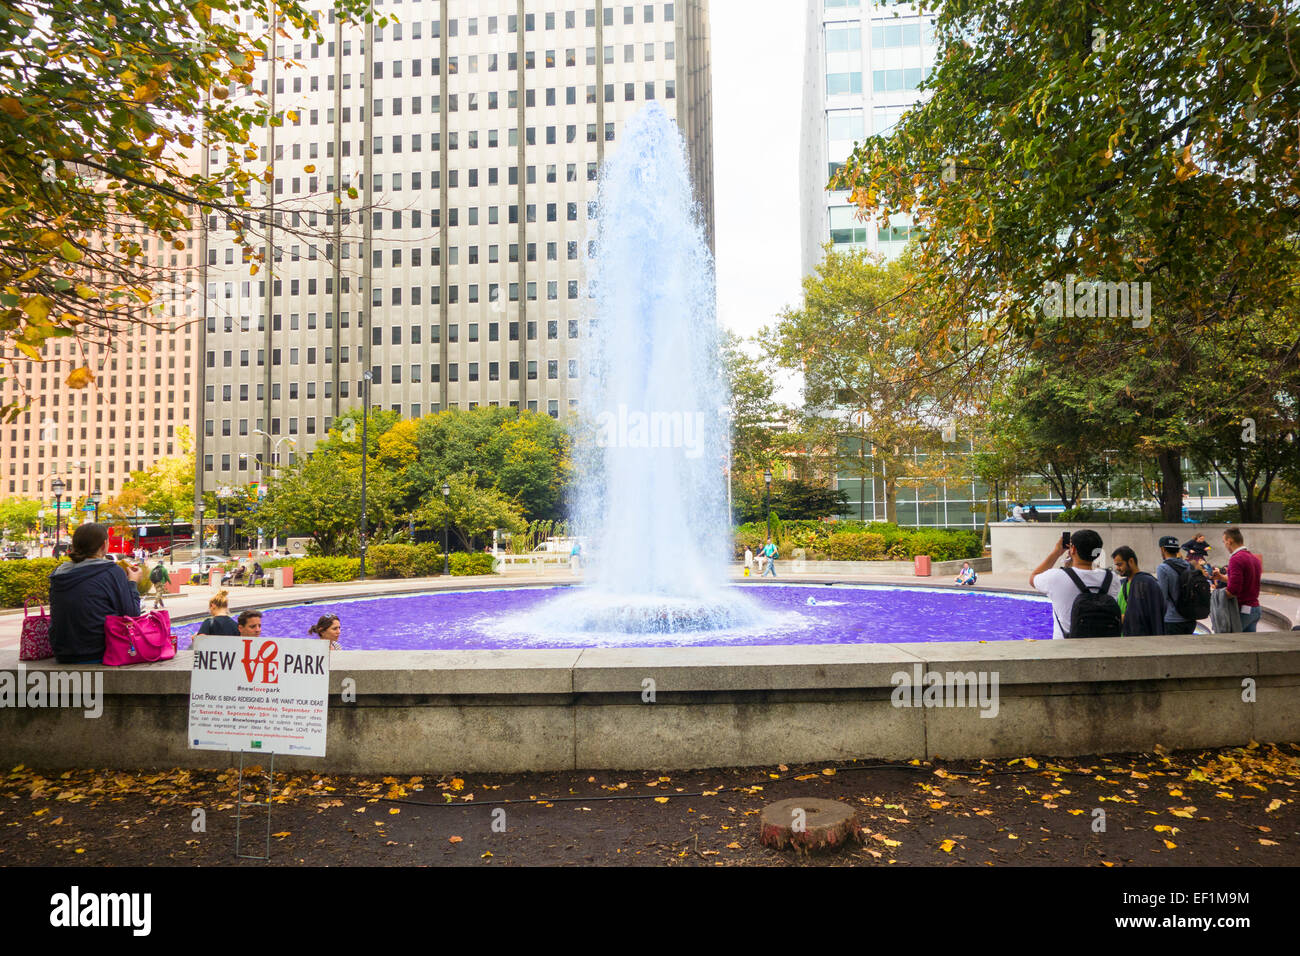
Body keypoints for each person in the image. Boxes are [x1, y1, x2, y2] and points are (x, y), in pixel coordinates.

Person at [48, 523, 144, 664]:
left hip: (62, 652)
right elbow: (132, 615)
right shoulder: (111, 571)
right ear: (104, 545)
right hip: (98, 651)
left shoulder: (59, 572)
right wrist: (133, 583)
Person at [1030, 529, 1122, 639]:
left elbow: (1033, 577)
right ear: (1098, 552)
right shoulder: (1112, 578)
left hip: (1067, 649)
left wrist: (1057, 552)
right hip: (1103, 646)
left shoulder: (1056, 577)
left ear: (1072, 549)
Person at [1213, 527, 1263, 632]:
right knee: (1248, 646)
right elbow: (1244, 581)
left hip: (1242, 610)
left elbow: (1233, 590)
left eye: (1224, 542)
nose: (1225, 545)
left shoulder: (1236, 559)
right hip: (1254, 609)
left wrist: (1214, 595)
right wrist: (1221, 577)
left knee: (1232, 644)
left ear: (1230, 541)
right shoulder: (1253, 558)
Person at [1110, 546, 1165, 636]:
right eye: (1116, 565)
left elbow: (1151, 614)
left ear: (1131, 561)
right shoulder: (1123, 583)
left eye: (1120, 564)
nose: (1117, 568)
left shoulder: (1145, 582)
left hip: (1141, 640)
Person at [1156, 535, 1197, 634]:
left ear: (1163, 549)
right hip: (1191, 618)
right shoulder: (1189, 566)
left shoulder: (1163, 568)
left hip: (1172, 619)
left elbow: (1162, 597)